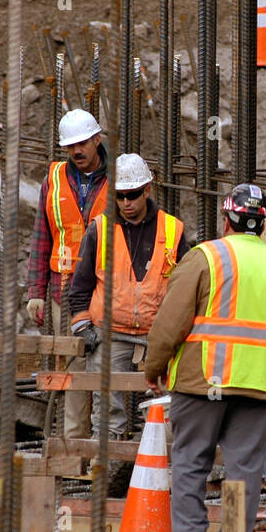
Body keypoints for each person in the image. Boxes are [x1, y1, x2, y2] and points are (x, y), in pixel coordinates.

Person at [143, 184, 266, 532]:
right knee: (245, 473)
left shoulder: (205, 258)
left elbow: (170, 324)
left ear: (226, 218)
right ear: (262, 224)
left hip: (204, 382)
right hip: (260, 387)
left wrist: (154, 367)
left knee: (190, 463)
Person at [68, 153, 190, 441]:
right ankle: (111, 467)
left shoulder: (172, 230)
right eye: (120, 196)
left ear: (147, 190)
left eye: (133, 195)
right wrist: (83, 327)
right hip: (110, 332)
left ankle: (161, 462)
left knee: (167, 403)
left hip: (158, 333)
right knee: (107, 407)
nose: (126, 203)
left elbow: (186, 287)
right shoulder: (100, 229)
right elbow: (81, 284)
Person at [26, 108, 108, 438]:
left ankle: (106, 443)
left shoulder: (120, 181)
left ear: (97, 140)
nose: (77, 151)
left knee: (106, 368)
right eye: (70, 145)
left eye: (83, 143)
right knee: (73, 367)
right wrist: (35, 292)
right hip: (64, 292)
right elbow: (41, 236)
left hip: (106, 291)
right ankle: (75, 446)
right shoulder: (55, 178)